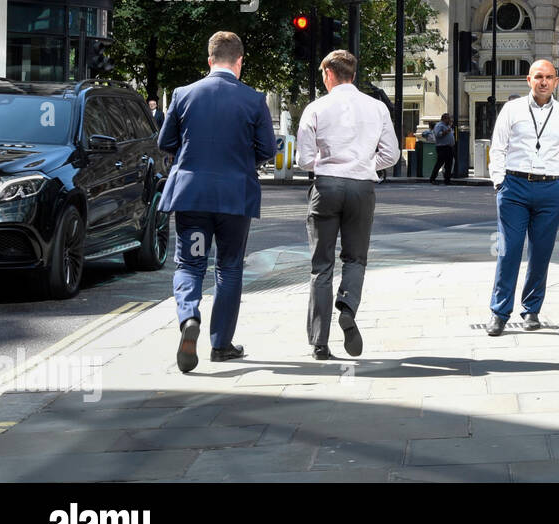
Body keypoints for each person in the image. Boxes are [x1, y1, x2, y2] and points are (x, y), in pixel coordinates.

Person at [159, 31, 277, 373]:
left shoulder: (183, 94)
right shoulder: (254, 99)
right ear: (239, 62)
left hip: (192, 195)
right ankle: (221, 344)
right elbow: (268, 150)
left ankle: (188, 318)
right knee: (229, 267)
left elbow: (165, 141)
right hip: (234, 196)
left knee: (190, 263)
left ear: (209, 61)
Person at [295, 50, 399, 361]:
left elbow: (302, 160)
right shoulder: (377, 108)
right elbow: (391, 155)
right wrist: (366, 164)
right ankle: (348, 306)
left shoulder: (315, 108)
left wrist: (324, 163)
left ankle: (319, 343)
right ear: (352, 75)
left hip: (326, 186)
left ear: (328, 73)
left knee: (321, 265)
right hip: (361, 187)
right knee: (356, 259)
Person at [485, 60, 559, 335]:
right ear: (529, 80)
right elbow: (498, 147)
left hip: (551, 190)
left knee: (541, 252)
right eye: (539, 77)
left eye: (549, 77)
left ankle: (532, 310)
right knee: (509, 250)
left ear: (556, 81)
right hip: (514, 187)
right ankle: (499, 312)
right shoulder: (512, 109)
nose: (544, 82)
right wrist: (499, 182)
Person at [428, 112, 456, 184]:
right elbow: (437, 134)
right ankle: (432, 179)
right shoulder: (439, 125)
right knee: (439, 163)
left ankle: (447, 180)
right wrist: (446, 132)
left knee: (448, 164)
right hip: (442, 147)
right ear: (444, 119)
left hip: (449, 147)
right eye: (448, 119)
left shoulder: (447, 126)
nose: (450, 120)